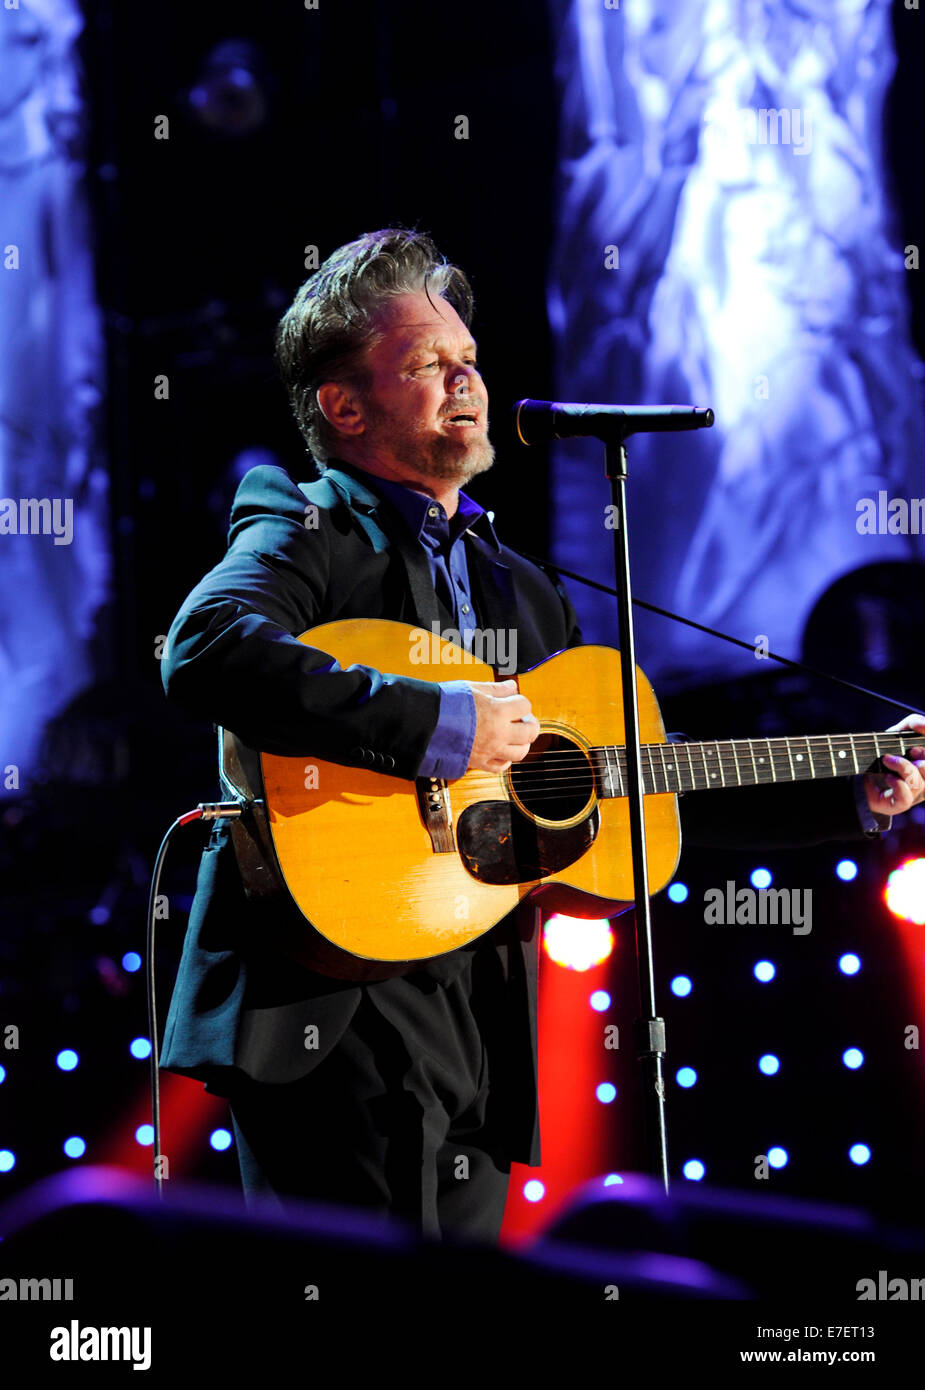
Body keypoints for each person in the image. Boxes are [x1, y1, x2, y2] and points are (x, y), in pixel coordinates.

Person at [158, 227, 925, 1244]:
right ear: (342, 405)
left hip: (482, 1005)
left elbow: (623, 791)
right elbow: (205, 647)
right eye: (429, 364)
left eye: (469, 359)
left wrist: (847, 792)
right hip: (327, 992)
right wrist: (437, 724)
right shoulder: (302, 525)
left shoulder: (520, 585)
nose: (465, 380)